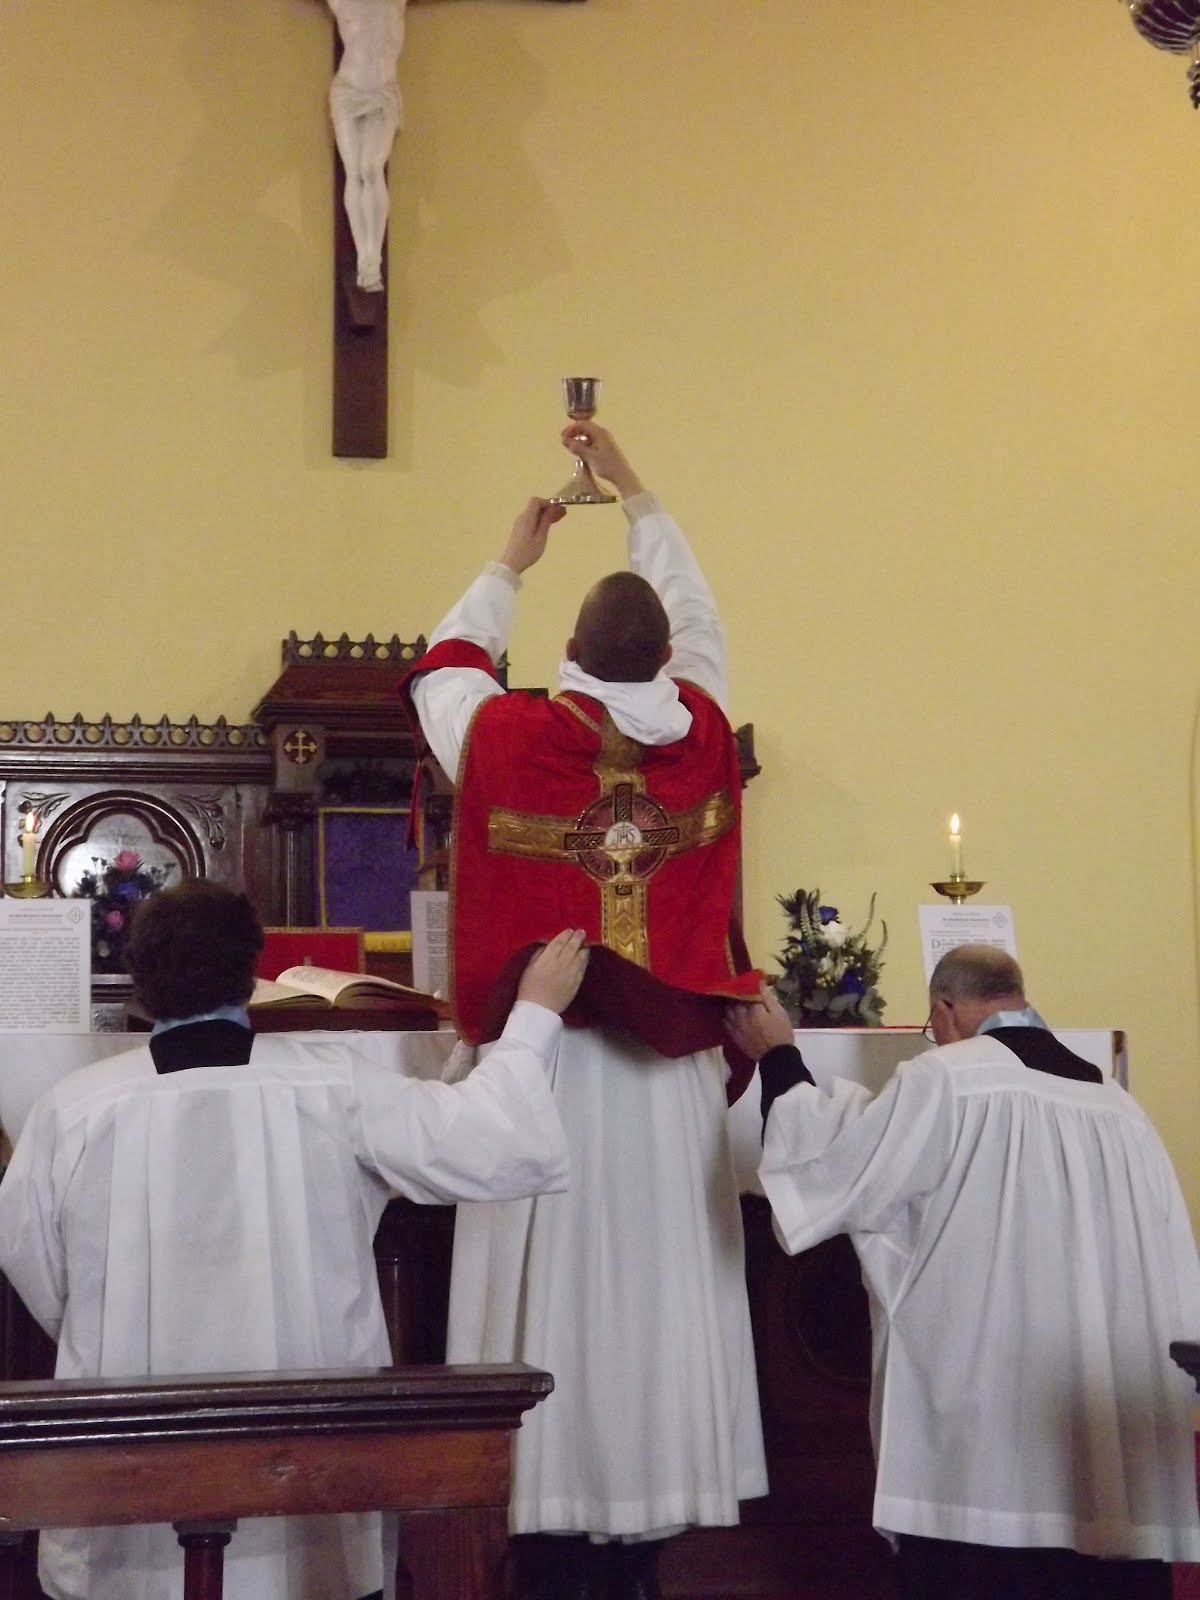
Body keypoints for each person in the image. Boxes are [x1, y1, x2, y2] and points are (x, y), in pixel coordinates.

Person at [400, 425, 768, 1600]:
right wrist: (639, 493)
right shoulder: (704, 731)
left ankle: (541, 1516)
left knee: (545, 1293)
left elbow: (448, 663)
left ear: (563, 651)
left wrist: (511, 558)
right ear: (666, 659)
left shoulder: (506, 734)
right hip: (661, 1081)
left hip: (542, 1068)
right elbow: (703, 620)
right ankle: (652, 1531)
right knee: (657, 1289)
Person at [0, 880, 587, 1600]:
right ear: (252, 974)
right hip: (310, 1464)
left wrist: (106, 1329)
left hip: (130, 1470)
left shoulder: (75, 1107)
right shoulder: (332, 1085)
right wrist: (533, 1016)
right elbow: (490, 1139)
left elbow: (31, 1260)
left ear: (143, 983)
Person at [726, 944, 1200, 1600]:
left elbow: (842, 1169)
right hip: (1099, 1452)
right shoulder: (1121, 1109)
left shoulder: (948, 1080)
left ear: (944, 1009)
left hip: (979, 1476)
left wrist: (779, 1055)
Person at [327, 0, 406, 292]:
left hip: (383, 92)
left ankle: (373, 256)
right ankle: (365, 260)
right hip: (348, 90)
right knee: (355, 172)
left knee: (372, 167)